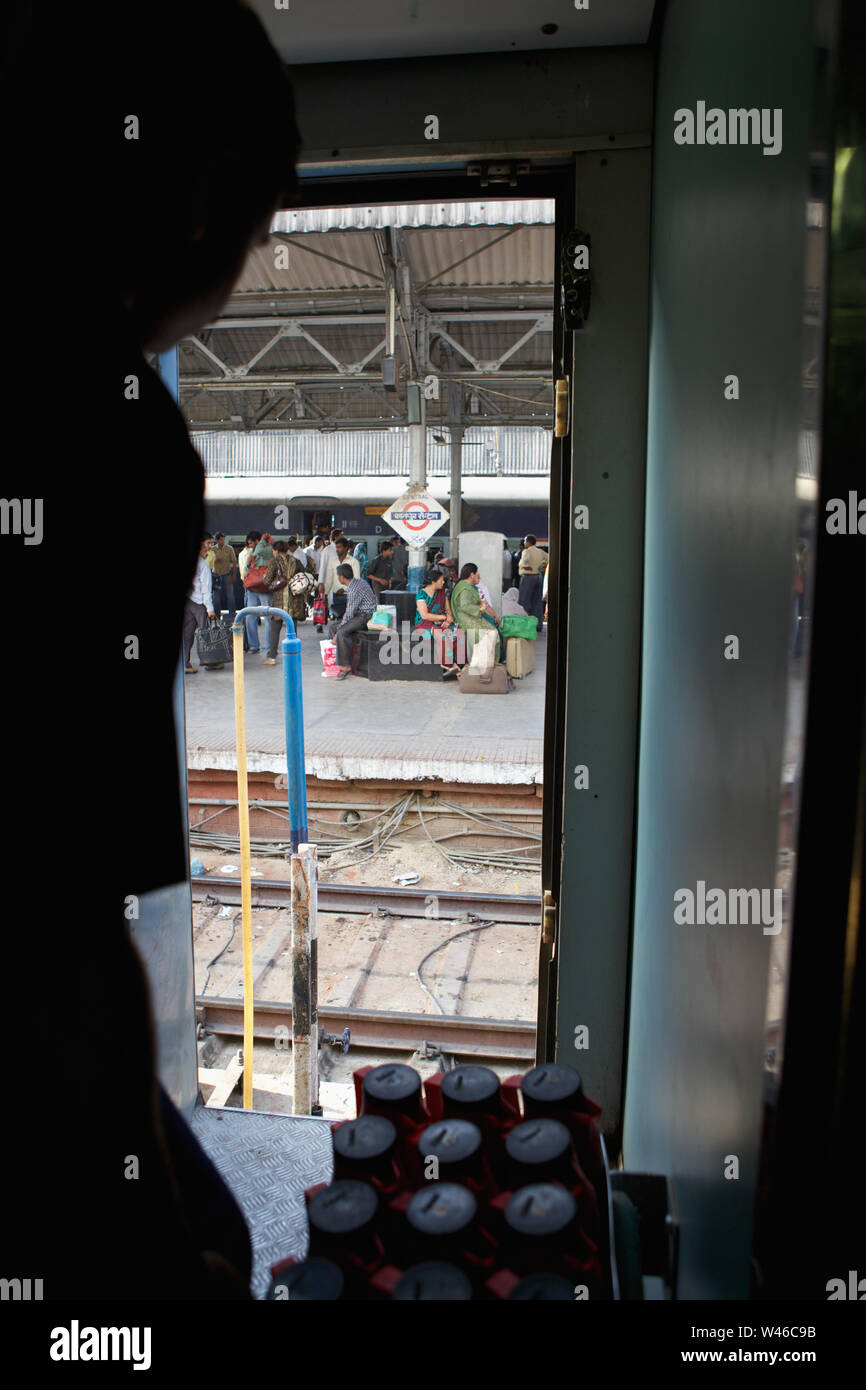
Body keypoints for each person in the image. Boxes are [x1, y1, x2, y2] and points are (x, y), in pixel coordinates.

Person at [329, 564, 377, 679]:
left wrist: (337, 634)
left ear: (342, 576)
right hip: (359, 614)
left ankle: (346, 666)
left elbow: (349, 613)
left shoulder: (354, 589)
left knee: (341, 632)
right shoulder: (358, 582)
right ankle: (336, 660)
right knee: (332, 627)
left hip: (365, 616)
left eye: (338, 575)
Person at [414, 564, 462, 678]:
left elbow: (448, 610)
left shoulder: (442, 593)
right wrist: (443, 618)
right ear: (433, 582)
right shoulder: (421, 594)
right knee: (442, 635)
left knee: (458, 633)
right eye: (441, 580)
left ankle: (459, 663)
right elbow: (424, 615)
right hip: (424, 624)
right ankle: (448, 664)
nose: (443, 583)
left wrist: (449, 619)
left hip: (440, 621)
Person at [451, 561, 503, 663]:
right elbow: (465, 606)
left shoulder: (471, 587)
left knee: (494, 631)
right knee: (491, 633)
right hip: (465, 618)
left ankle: (490, 662)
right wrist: (479, 609)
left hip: (472, 616)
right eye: (477, 573)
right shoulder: (465, 588)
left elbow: (484, 604)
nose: (479, 576)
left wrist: (491, 613)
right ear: (472, 575)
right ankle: (485, 663)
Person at [183, 534, 216, 673]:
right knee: (205, 633)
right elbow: (205, 589)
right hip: (200, 604)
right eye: (208, 543)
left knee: (188, 633)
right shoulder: (203, 565)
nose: (209, 546)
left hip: (188, 601)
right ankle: (208, 661)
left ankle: (186, 663)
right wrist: (210, 608)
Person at [261, 540, 295, 665]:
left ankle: (272, 657)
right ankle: (292, 655)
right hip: (292, 598)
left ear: (276, 550)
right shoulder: (294, 560)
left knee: (275, 628)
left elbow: (267, 581)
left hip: (279, 599)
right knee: (292, 628)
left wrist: (266, 577)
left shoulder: (275, 561)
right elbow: (310, 567)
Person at [320, 535, 360, 620]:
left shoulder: (354, 562)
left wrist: (344, 589)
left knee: (349, 620)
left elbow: (356, 580)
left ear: (346, 548)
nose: (337, 550)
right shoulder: (333, 562)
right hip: (336, 597)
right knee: (339, 621)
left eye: (340, 547)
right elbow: (329, 579)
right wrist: (325, 594)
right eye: (336, 547)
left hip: (349, 596)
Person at [518, 533, 548, 628]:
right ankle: (538, 625)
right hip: (538, 576)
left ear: (528, 542)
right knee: (537, 602)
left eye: (525, 541)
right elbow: (548, 558)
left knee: (524, 601)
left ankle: (524, 626)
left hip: (528, 576)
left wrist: (526, 567)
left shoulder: (526, 552)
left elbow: (524, 561)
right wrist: (542, 565)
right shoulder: (540, 552)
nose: (524, 543)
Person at [210, 531, 237, 629]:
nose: (223, 541)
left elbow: (234, 562)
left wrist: (234, 575)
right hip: (216, 576)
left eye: (223, 539)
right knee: (216, 597)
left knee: (230, 596)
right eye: (221, 539)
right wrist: (214, 561)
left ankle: (232, 615)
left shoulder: (229, 549)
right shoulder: (212, 549)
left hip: (227, 575)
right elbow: (207, 561)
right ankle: (216, 616)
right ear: (217, 540)